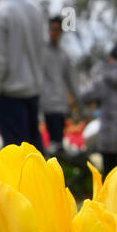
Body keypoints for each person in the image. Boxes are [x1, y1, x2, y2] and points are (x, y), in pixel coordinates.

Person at [0, 0, 47, 150]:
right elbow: (41, 51)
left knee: (15, 151)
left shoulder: (0, 13)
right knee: (34, 148)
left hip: (9, 92)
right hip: (33, 90)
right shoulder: (34, 10)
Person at [41, 14, 78, 155]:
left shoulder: (64, 55)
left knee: (57, 144)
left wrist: (78, 105)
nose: (52, 33)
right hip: (47, 104)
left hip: (60, 105)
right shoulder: (41, 52)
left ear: (61, 32)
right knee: (54, 144)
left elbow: (72, 81)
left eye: (56, 29)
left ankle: (57, 171)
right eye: (51, 29)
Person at [81, 44, 117, 173]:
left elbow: (85, 96)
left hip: (108, 138)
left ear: (111, 59)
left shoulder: (103, 80)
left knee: (110, 177)